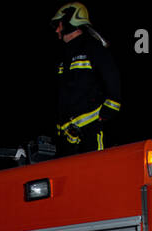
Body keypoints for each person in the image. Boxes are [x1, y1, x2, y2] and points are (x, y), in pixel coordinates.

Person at [52, 3, 121, 155]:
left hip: (92, 130)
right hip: (69, 138)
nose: (57, 30)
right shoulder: (62, 56)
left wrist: (104, 115)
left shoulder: (93, 48)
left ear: (71, 23)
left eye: (59, 25)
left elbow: (113, 82)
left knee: (97, 173)